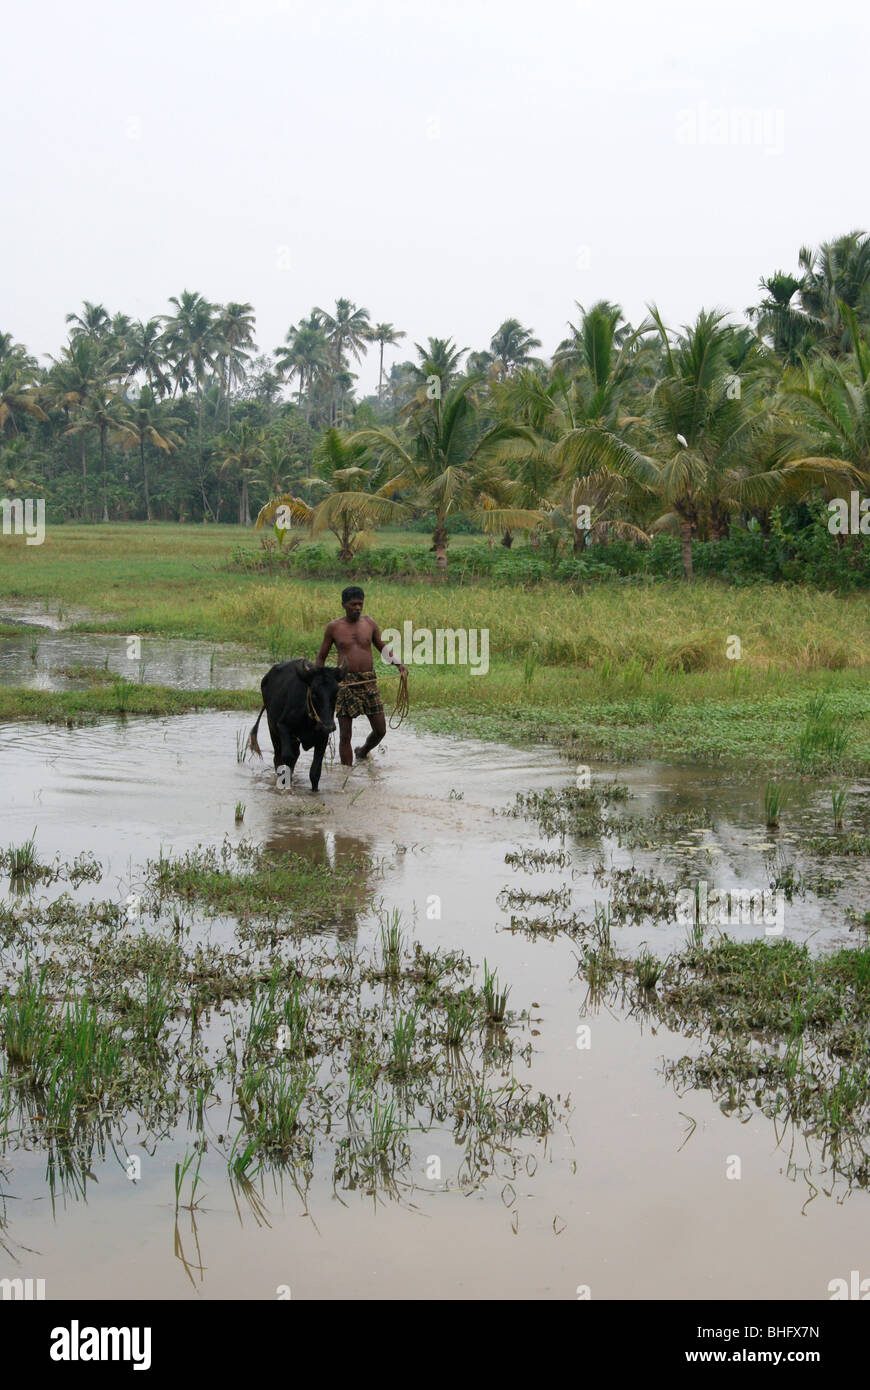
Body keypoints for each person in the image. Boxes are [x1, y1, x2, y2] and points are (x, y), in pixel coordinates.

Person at [314, 586, 407, 765]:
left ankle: (363, 751)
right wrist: (319, 680)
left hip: (368, 682)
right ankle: (347, 777)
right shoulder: (333, 627)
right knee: (345, 735)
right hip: (345, 683)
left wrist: (399, 665)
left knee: (380, 730)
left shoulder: (369, 623)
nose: (357, 607)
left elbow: (382, 647)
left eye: (360, 604)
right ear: (343, 605)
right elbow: (321, 657)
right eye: (353, 604)